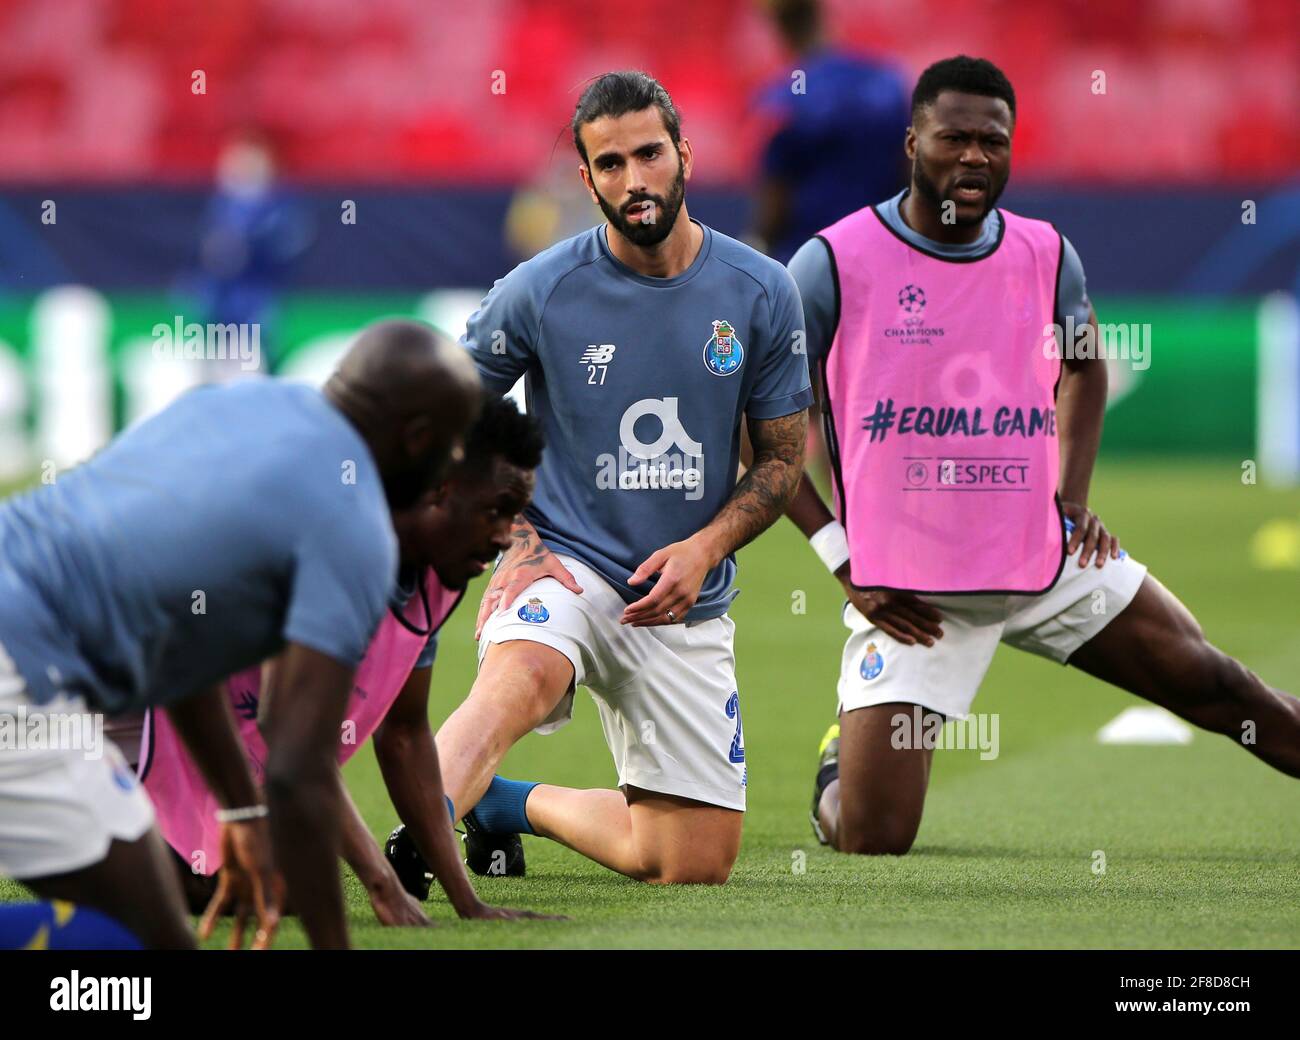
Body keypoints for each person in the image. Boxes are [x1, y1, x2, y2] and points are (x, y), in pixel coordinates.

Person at [784, 55, 1300, 855]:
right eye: (953, 138)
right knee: (868, 836)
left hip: (1042, 552)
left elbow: (1086, 367)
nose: (974, 158)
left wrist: (1070, 498)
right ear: (911, 141)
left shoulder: (1046, 254)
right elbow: (764, 427)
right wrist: (845, 562)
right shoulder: (829, 264)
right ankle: (837, 763)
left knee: (1219, 686)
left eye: (993, 141)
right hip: (915, 591)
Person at [430, 70, 811, 885]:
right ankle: (410, 852)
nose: (634, 182)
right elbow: (447, 418)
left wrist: (704, 549)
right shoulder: (538, 289)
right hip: (564, 565)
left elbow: (782, 461)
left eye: (649, 154)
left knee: (689, 862)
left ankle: (508, 804)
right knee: (519, 678)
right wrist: (513, 534)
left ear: (685, 154)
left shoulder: (761, 292)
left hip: (683, 594)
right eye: (610, 165)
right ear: (586, 179)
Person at [0, 319, 479, 948]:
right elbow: (297, 766)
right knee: (152, 938)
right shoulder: (354, 521)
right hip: (21, 673)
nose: (451, 466)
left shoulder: (246, 399)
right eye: (450, 449)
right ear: (417, 439)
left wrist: (239, 809)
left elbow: (182, 646)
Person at [142, 397, 553, 925]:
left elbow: (404, 734)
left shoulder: (439, 568)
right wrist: (381, 885)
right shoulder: (336, 548)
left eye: (513, 516)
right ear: (439, 490)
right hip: (118, 706)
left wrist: (467, 903)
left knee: (276, 888)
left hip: (228, 760)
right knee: (179, 889)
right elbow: (292, 732)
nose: (503, 537)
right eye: (493, 511)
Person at [751, 0, 909, 264]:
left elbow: (777, 201)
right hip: (879, 257)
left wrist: (754, 249)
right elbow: (909, 172)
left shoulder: (784, 97)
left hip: (807, 262)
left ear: (779, 28)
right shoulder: (887, 81)